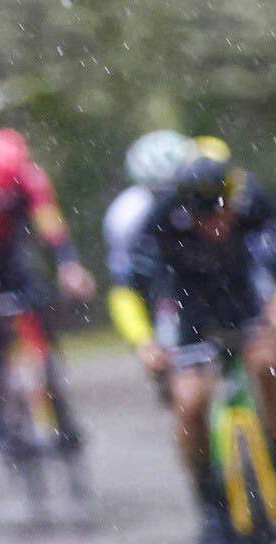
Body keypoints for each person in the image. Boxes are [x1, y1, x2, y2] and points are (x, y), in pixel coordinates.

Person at [110, 154, 276, 544]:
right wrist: (143, 343)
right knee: (190, 403)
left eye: (221, 215)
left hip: (244, 301)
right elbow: (126, 291)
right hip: (190, 309)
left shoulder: (253, 202)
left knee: (267, 366)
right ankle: (211, 515)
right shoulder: (161, 218)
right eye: (204, 220)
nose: (215, 227)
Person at [0, 128, 98, 466]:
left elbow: (53, 230)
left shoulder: (30, 180)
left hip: (12, 259)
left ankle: (62, 417)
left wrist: (69, 267)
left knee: (43, 335)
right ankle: (1, 427)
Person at [104, 131, 201, 400]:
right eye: (159, 192)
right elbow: (125, 286)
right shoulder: (125, 216)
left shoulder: (209, 196)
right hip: (162, 285)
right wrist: (143, 341)